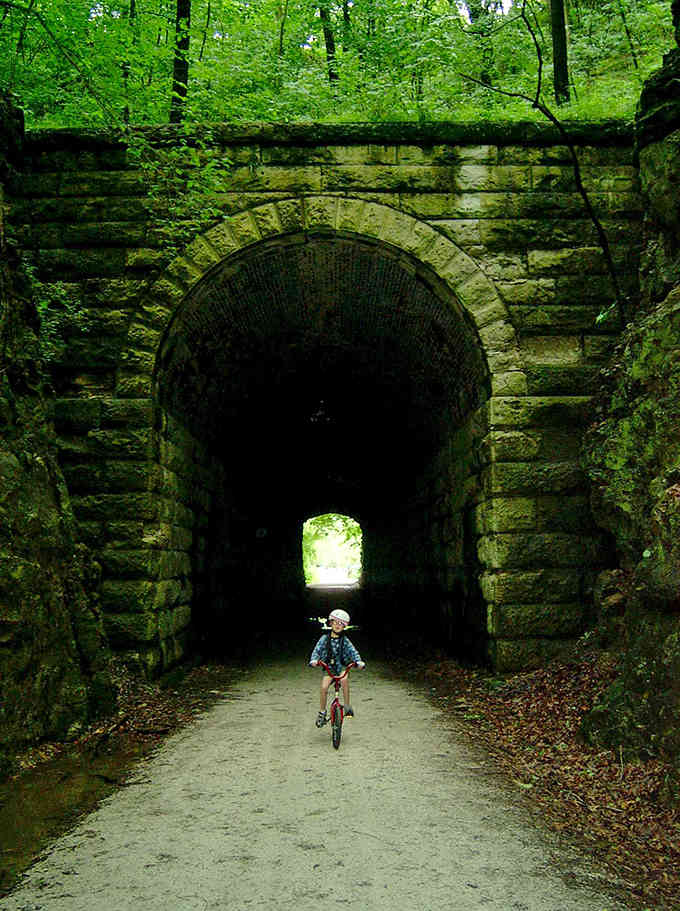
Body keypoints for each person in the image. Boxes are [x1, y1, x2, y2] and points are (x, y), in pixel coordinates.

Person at [309, 608, 365, 728]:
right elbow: (317, 650)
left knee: (344, 680)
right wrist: (314, 660)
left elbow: (353, 651)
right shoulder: (325, 638)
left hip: (341, 667)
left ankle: (347, 706)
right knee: (324, 687)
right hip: (329, 668)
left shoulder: (345, 640)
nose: (337, 625)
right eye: (335, 622)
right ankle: (322, 712)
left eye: (341, 623)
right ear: (330, 623)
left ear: (344, 626)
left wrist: (358, 661)